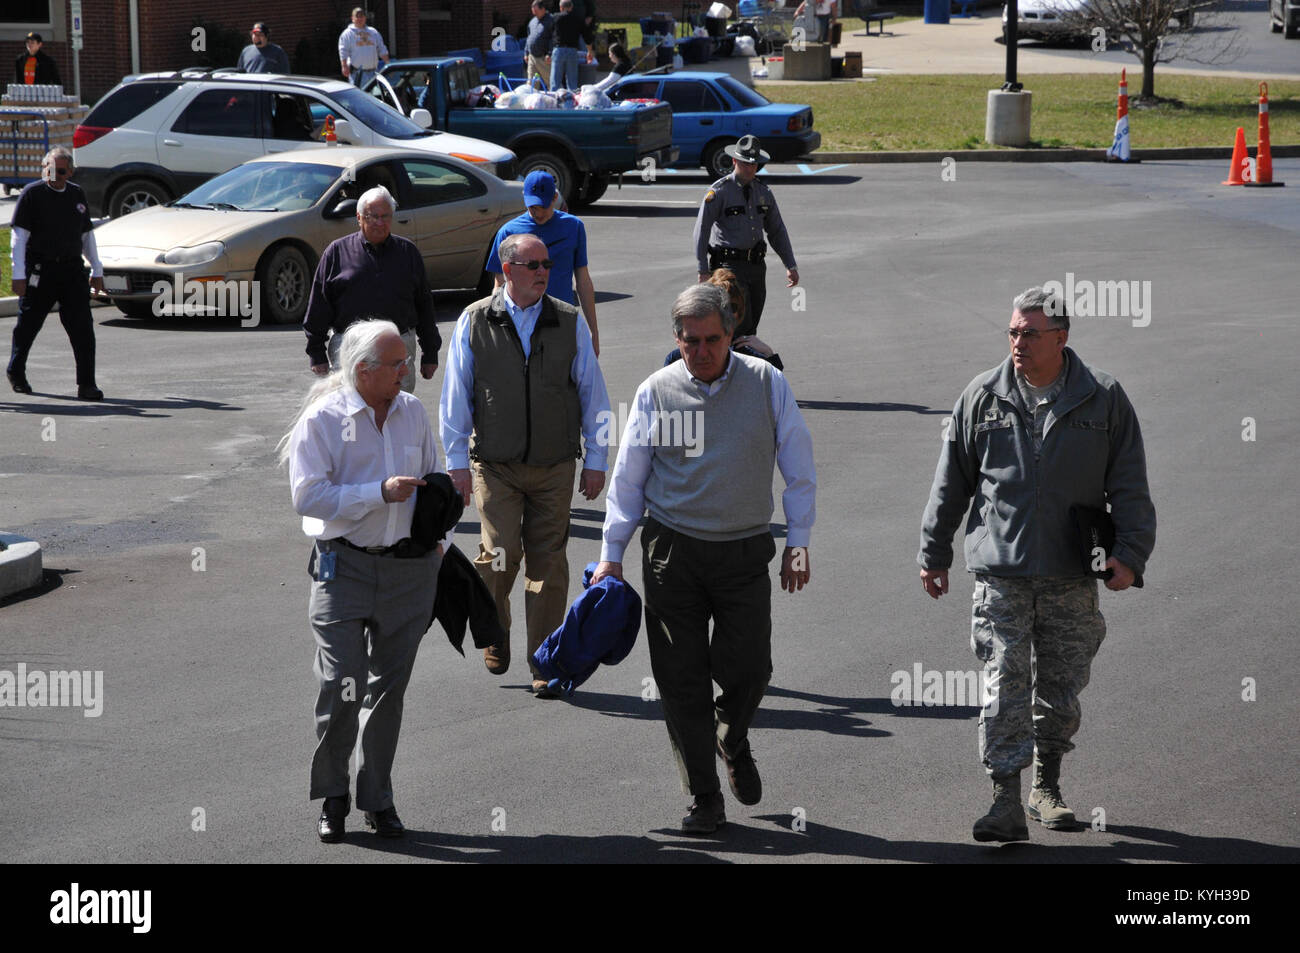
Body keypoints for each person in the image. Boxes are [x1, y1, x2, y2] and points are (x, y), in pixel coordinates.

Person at [917, 286, 1156, 843]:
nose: (1018, 343)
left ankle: (1046, 784)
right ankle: (1004, 796)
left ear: (1062, 339)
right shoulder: (982, 395)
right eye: (1013, 332)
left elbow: (1129, 483)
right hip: (1001, 566)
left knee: (1062, 686)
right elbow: (950, 480)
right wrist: (935, 552)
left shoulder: (1102, 397)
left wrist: (1130, 554)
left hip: (1074, 568)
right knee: (1004, 679)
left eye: (1030, 334)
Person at [592, 282, 816, 835]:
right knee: (680, 680)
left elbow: (799, 463)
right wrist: (610, 556)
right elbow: (628, 481)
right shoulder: (656, 391)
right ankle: (704, 796)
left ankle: (731, 737)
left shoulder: (766, 384)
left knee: (750, 668)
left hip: (743, 550)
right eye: (690, 341)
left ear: (731, 335)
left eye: (712, 339)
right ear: (677, 339)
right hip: (673, 553)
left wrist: (799, 541)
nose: (702, 351)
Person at [282, 319, 446, 842]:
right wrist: (378, 492)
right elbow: (308, 497)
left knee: (388, 691)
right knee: (341, 682)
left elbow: (434, 476)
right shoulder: (324, 421)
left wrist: (437, 537)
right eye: (397, 364)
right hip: (342, 567)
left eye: (406, 361)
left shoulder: (413, 412)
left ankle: (378, 798)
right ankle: (333, 797)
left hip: (407, 571)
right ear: (362, 372)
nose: (406, 371)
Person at [440, 233, 611, 698]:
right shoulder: (475, 320)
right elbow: (456, 396)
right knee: (498, 556)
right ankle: (495, 630)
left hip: (555, 466)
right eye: (532, 264)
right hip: (495, 465)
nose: (543, 272)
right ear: (507, 267)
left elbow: (594, 396)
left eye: (547, 264)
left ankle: (545, 659)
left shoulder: (569, 320)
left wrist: (597, 459)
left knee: (548, 565)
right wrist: (455, 462)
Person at [303, 186, 440, 391]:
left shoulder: (407, 252)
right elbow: (319, 305)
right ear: (359, 217)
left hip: (398, 346)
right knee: (351, 410)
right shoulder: (337, 253)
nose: (379, 222)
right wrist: (316, 353)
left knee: (397, 412)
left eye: (385, 216)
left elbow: (424, 305)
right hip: (351, 348)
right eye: (372, 216)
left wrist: (430, 353)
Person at [7, 147, 104, 401]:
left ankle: (87, 385)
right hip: (41, 270)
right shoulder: (32, 194)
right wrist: (18, 275)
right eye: (49, 168)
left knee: (83, 329)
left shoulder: (76, 194)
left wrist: (97, 267)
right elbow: (19, 238)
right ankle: (16, 371)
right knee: (28, 326)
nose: (54, 175)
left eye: (60, 171)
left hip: (72, 271)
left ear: (69, 172)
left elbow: (86, 236)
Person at [484, 170, 600, 355]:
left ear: (555, 198)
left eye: (543, 207)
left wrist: (594, 333)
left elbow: (583, 281)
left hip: (562, 320)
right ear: (524, 197)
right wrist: (495, 329)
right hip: (521, 324)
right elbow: (499, 285)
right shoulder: (508, 232)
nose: (538, 213)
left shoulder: (574, 227)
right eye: (533, 207)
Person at [693, 135, 798, 336]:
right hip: (728, 268)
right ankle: (734, 363)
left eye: (753, 164)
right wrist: (703, 270)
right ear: (734, 161)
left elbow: (776, 230)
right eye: (744, 163)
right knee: (738, 324)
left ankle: (740, 363)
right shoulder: (719, 192)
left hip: (756, 267)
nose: (750, 168)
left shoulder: (763, 192)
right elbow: (702, 230)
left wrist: (790, 264)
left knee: (751, 326)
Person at [338, 7, 389, 88]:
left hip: (374, 73)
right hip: (357, 74)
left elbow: (381, 49)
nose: (359, 18)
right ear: (352, 18)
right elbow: (343, 50)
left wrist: (387, 64)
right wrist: (344, 66)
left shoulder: (373, 32)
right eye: (357, 16)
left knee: (375, 98)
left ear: (365, 18)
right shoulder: (347, 34)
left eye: (361, 16)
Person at [550, 0, 593, 91]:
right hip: (572, 50)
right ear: (571, 7)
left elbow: (549, 35)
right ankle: (571, 101)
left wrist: (548, 52)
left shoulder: (555, 18)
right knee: (572, 81)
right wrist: (589, 51)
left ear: (561, 7)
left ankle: (554, 101)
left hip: (558, 50)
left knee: (555, 80)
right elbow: (586, 36)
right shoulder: (578, 18)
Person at [525, 1, 554, 89]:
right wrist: (526, 53)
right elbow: (529, 37)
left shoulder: (551, 20)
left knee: (550, 82)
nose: (535, 14)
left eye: (536, 12)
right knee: (531, 83)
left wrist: (550, 53)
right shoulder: (532, 22)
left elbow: (554, 39)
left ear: (543, 9)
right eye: (533, 12)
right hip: (532, 57)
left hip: (544, 58)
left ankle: (555, 100)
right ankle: (533, 101)